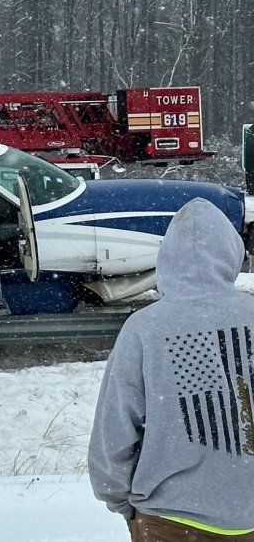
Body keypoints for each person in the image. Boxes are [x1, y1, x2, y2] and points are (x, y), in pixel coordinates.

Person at [89, 198, 254, 541]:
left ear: (166, 258)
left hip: (171, 522)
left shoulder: (145, 329)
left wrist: (121, 502)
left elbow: (113, 433)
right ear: (232, 252)